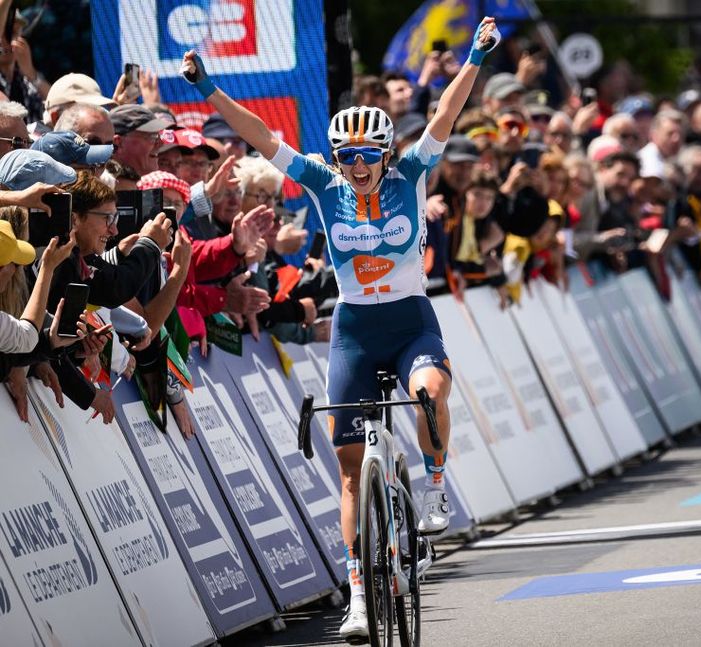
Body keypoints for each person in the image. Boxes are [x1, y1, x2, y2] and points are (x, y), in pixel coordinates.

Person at [180, 15, 501, 642]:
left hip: (410, 321)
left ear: (385, 154)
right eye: (348, 156)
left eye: (368, 155)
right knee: (350, 466)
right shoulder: (324, 185)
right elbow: (259, 135)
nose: (357, 165)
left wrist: (477, 57)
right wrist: (209, 90)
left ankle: (435, 484)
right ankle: (358, 594)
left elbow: (445, 114)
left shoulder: (412, 173)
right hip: (354, 328)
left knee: (430, 393)